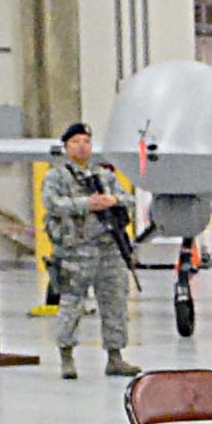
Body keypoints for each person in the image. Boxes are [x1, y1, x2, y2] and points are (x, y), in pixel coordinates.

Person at [42, 123, 133, 379]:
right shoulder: (57, 177)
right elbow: (52, 204)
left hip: (108, 248)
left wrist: (112, 200)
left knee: (114, 302)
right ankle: (67, 357)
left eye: (86, 141)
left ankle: (115, 357)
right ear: (66, 147)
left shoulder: (105, 177)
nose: (82, 146)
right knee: (71, 304)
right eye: (76, 142)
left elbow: (129, 200)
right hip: (75, 250)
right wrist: (87, 204)